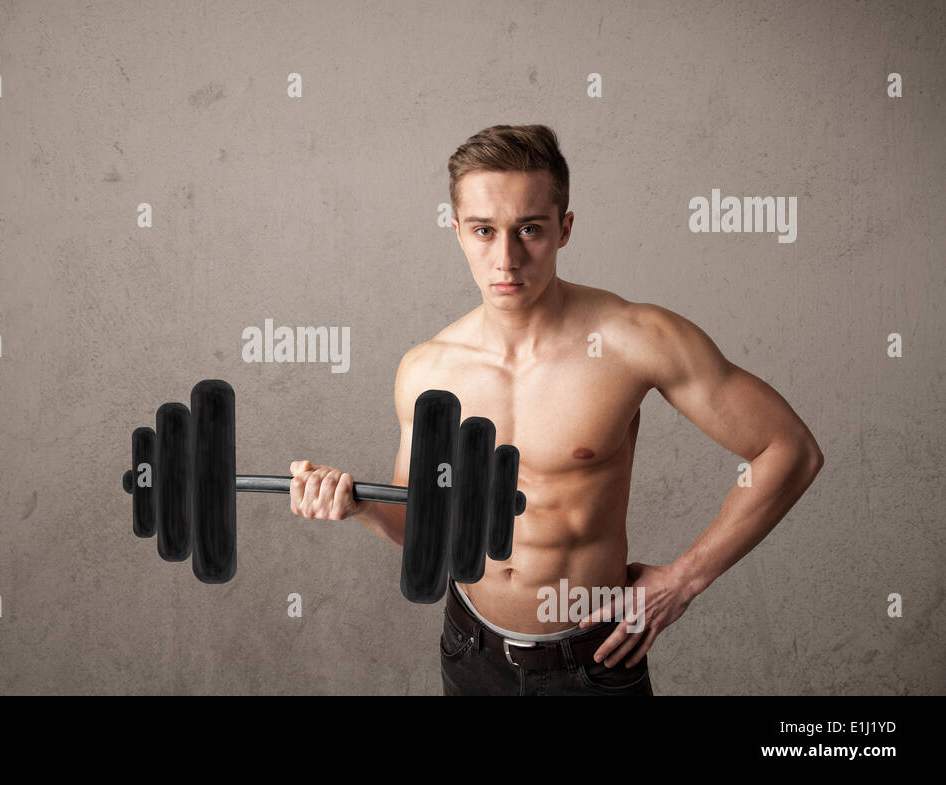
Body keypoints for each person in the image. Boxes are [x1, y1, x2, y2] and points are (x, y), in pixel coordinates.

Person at [288, 124, 824, 696]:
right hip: (471, 652)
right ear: (457, 232)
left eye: (530, 230)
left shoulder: (635, 339)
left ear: (564, 228)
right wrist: (356, 505)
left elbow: (790, 450)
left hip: (591, 661)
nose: (507, 258)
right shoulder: (428, 371)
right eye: (484, 231)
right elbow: (422, 527)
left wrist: (683, 581)